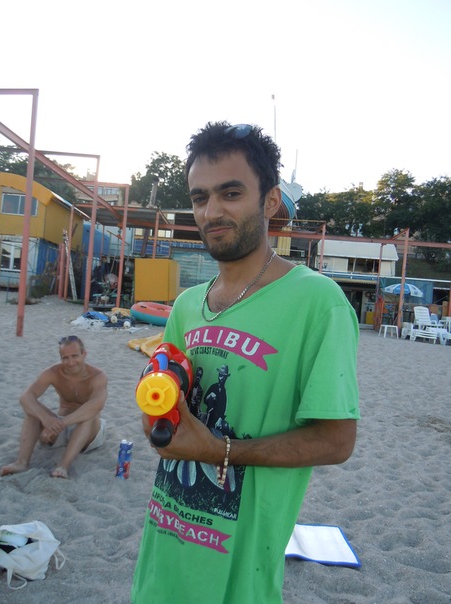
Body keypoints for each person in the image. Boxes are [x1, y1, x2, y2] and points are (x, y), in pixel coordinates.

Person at [132, 122, 360, 603]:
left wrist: (219, 450)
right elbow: (171, 405)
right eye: (199, 198)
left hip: (238, 576)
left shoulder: (318, 302)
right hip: (160, 556)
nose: (211, 211)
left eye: (231, 193)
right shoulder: (187, 305)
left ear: (270, 201)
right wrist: (158, 416)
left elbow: (337, 441)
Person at [0, 335, 107, 479]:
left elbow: (97, 404)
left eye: (75, 356)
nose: (70, 362)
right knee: (32, 410)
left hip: (89, 432)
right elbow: (26, 397)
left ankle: (63, 466)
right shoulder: (53, 373)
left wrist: (61, 423)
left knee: (89, 413)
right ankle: (21, 463)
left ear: (84, 354)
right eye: (65, 358)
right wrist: (46, 419)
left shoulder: (97, 376)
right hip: (60, 428)